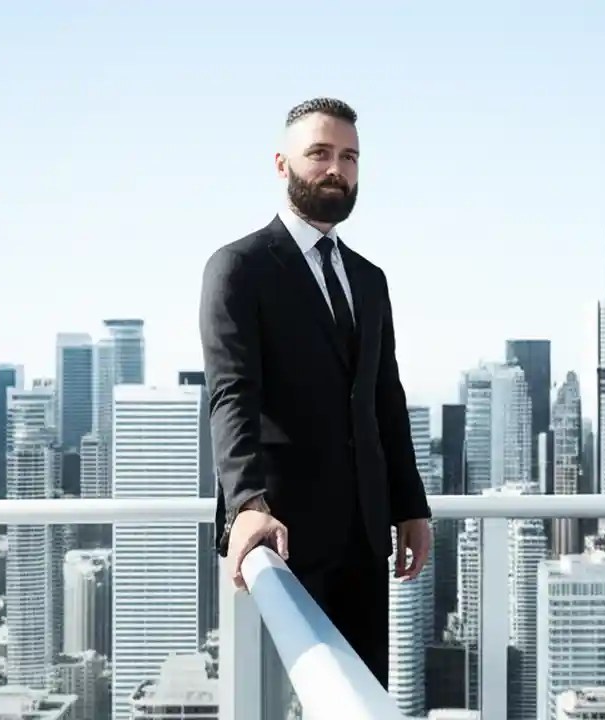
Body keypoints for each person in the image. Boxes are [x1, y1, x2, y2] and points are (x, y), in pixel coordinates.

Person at [198, 97, 432, 687]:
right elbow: (232, 395)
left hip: (363, 533)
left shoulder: (369, 279)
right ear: (282, 165)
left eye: (349, 157)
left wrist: (410, 506)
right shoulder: (238, 268)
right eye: (320, 153)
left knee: (364, 691)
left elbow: (386, 399)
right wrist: (248, 506)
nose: (337, 169)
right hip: (283, 536)